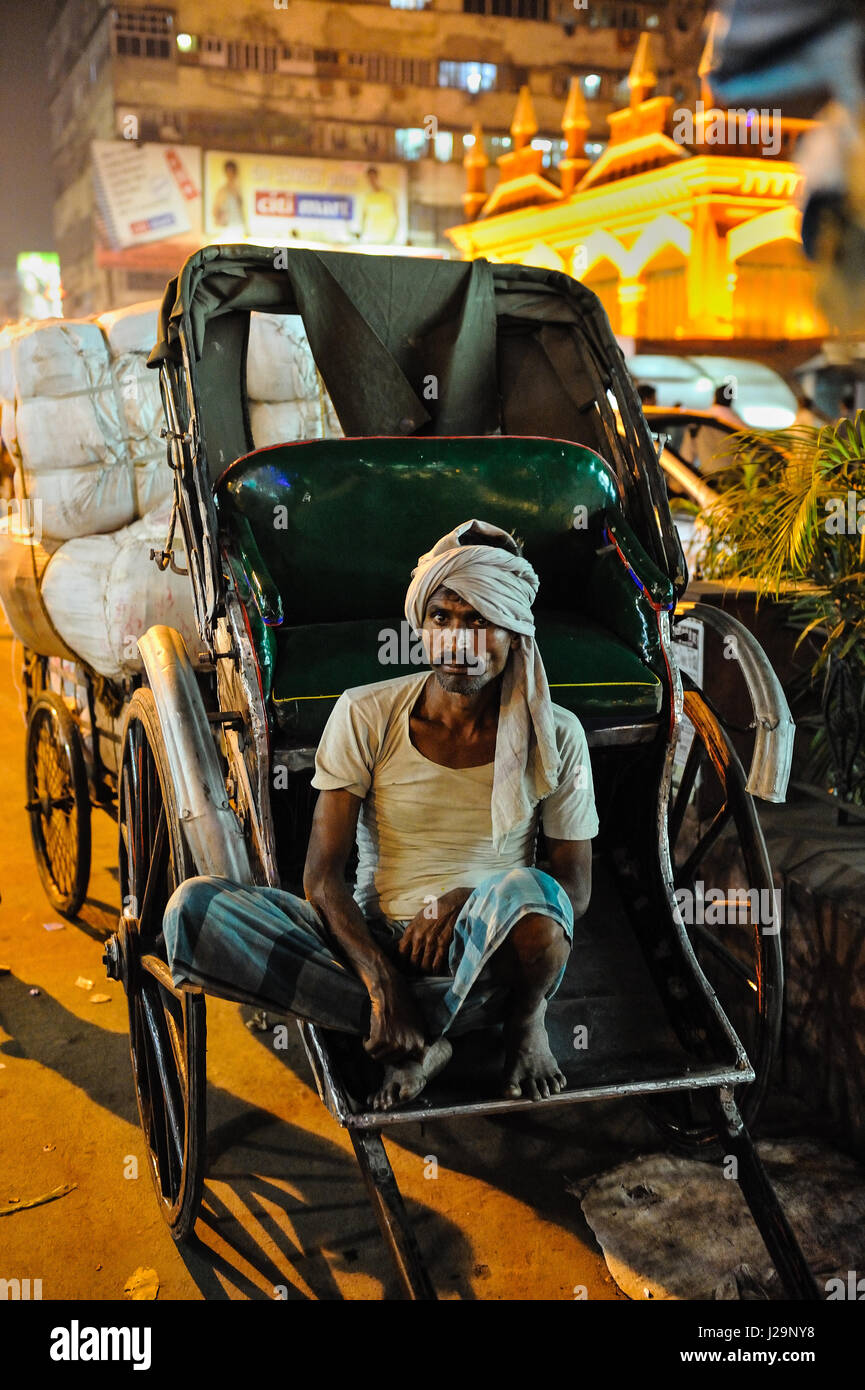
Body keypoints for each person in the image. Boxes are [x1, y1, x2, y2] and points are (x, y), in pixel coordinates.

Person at [163, 520, 598, 1110]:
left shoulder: (557, 734)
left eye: (480, 621)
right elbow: (321, 877)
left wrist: (466, 901)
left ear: (515, 632)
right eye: (442, 618)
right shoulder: (365, 713)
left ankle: (521, 1022)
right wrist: (382, 980)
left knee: (538, 902)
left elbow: (572, 890)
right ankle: (415, 1027)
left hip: (493, 955)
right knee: (196, 909)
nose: (458, 643)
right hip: (370, 945)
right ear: (421, 625)